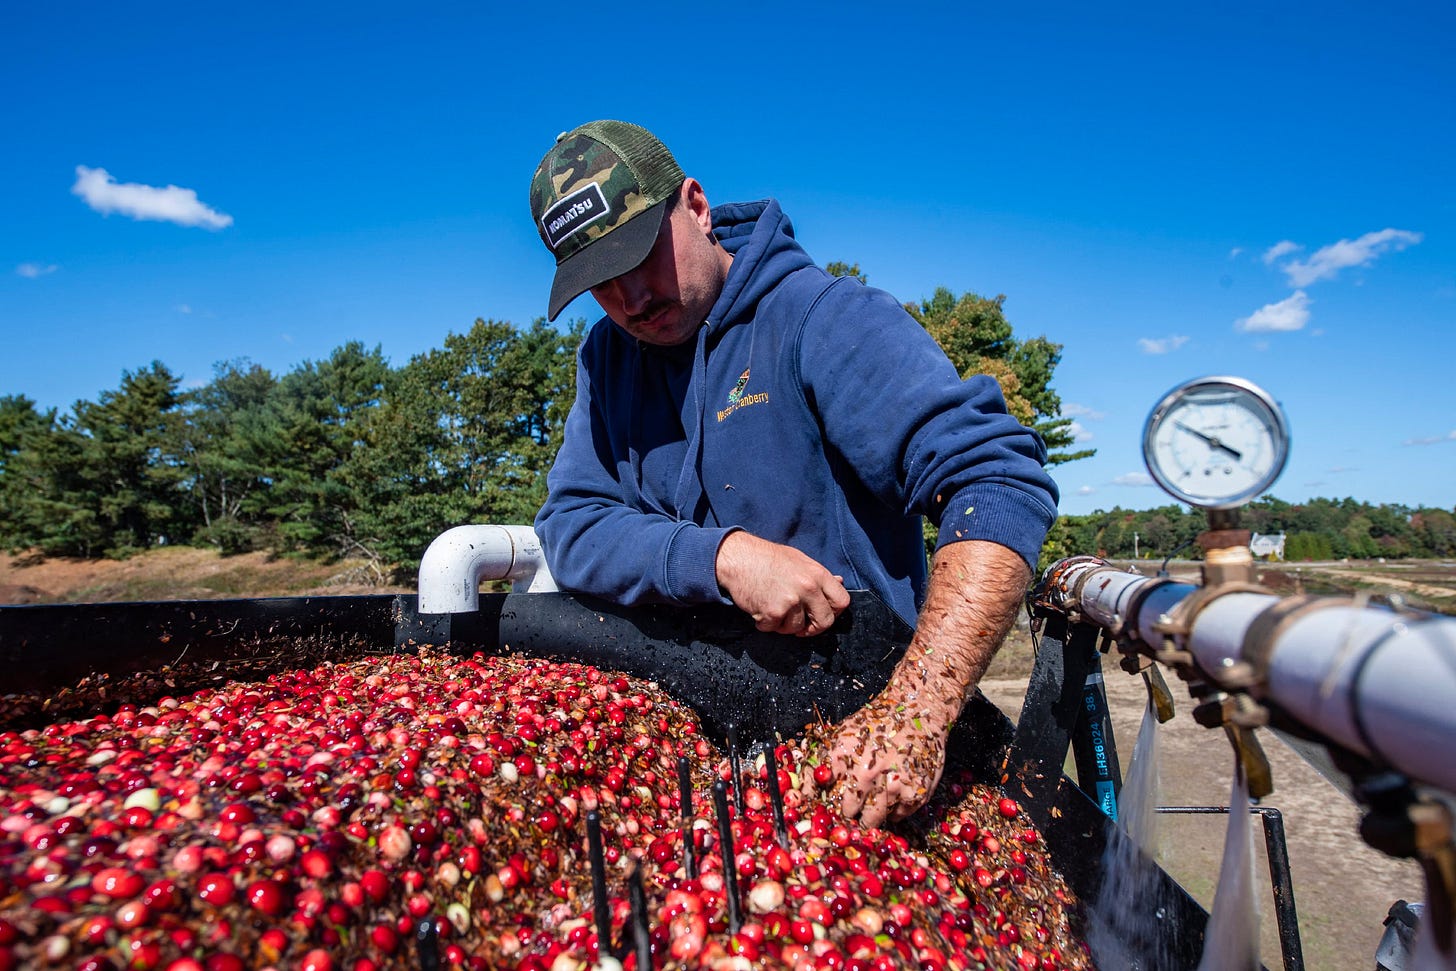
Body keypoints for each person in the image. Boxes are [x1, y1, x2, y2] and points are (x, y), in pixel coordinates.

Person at [528, 120, 1059, 827]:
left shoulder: (824, 318)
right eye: (599, 281)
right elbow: (571, 524)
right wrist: (721, 557)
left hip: (847, 700)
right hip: (692, 693)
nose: (629, 298)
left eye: (638, 255)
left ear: (695, 206)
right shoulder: (608, 360)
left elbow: (997, 481)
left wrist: (917, 713)